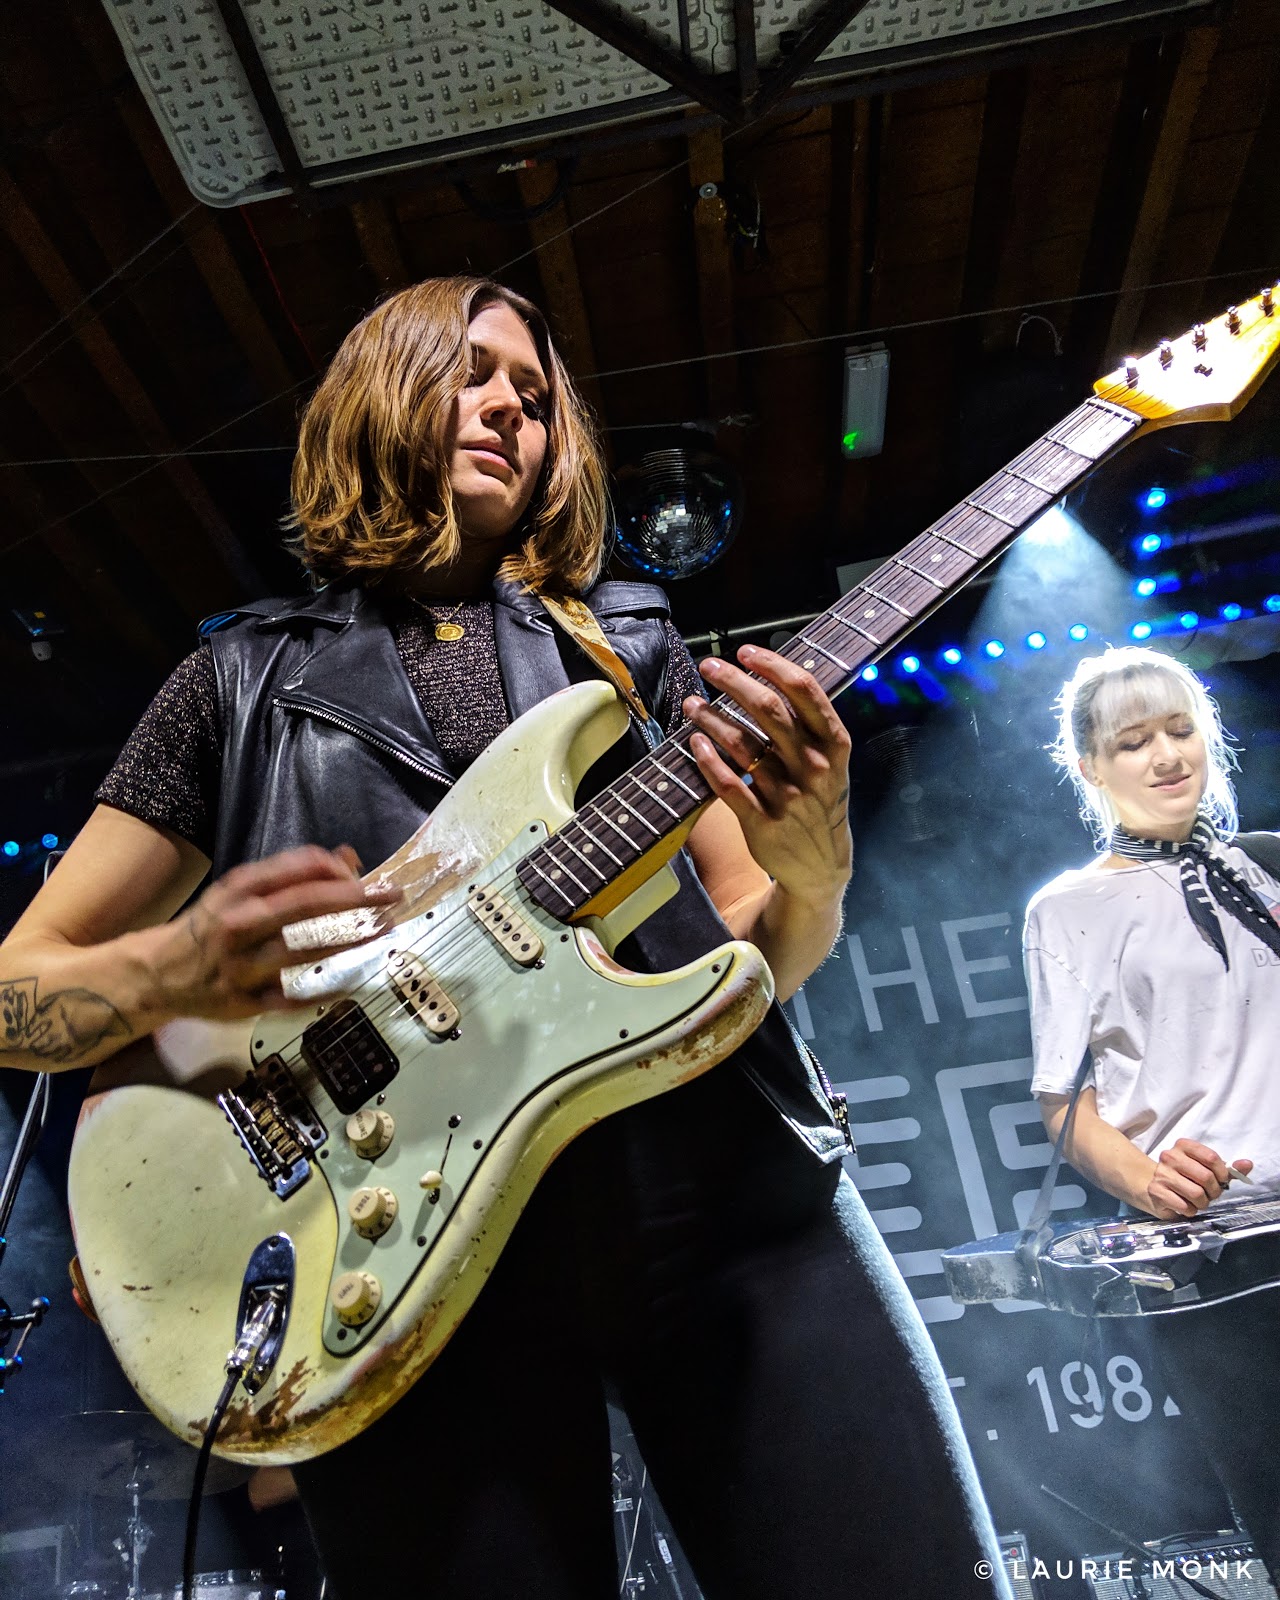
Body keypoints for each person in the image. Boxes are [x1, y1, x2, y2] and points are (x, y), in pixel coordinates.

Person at [0, 276, 1006, 1599]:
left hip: (717, 1200)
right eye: (473, 372)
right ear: (380, 386)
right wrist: (174, 968)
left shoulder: (630, 649)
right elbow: (19, 987)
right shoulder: (234, 686)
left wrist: (813, 874)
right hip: (401, 1255)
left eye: (535, 397)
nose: (511, 410)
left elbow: (758, 948)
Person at [1026, 644, 1280, 1578]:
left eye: (1181, 730)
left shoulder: (1269, 869)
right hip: (1212, 1250)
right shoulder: (1069, 908)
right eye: (1134, 741)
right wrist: (1147, 1178)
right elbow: (1061, 1098)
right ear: (1090, 765)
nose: (1167, 755)